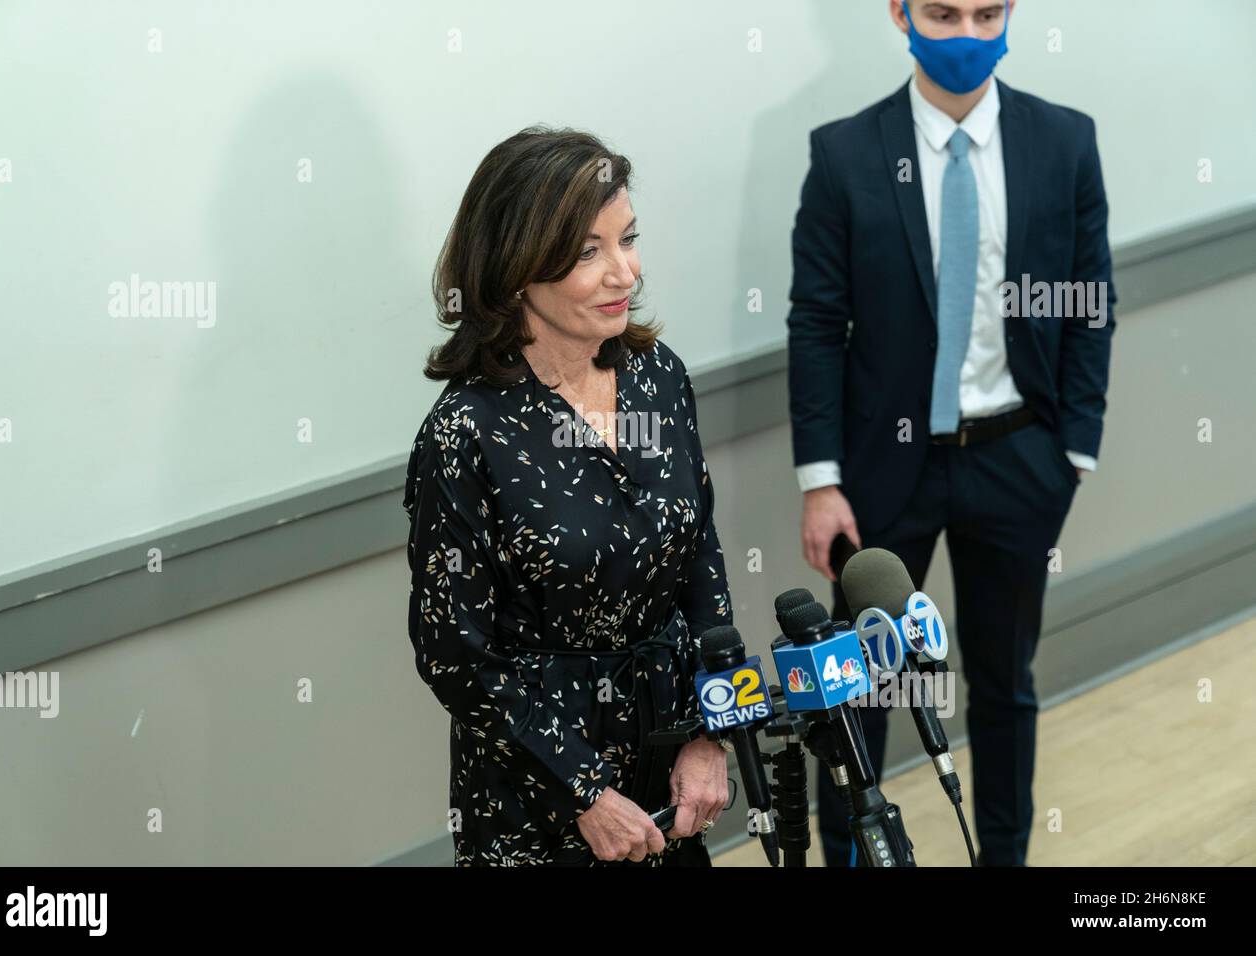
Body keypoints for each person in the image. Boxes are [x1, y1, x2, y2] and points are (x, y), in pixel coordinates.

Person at [788, 0, 1114, 866]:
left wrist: (1073, 450)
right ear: (899, 13)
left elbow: (1089, 303)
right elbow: (817, 325)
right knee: (857, 702)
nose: (967, 34)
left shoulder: (1065, 142)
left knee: (1004, 686)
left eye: (987, 13)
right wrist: (821, 481)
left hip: (1020, 461)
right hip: (881, 477)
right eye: (942, 12)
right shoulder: (845, 154)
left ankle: (1001, 858)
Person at [404, 127, 734, 866]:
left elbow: (702, 565)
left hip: (670, 766)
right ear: (517, 268)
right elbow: (455, 654)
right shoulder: (467, 432)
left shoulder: (658, 376)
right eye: (589, 252)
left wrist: (713, 731)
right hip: (538, 794)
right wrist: (584, 791)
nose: (626, 272)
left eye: (629, 239)